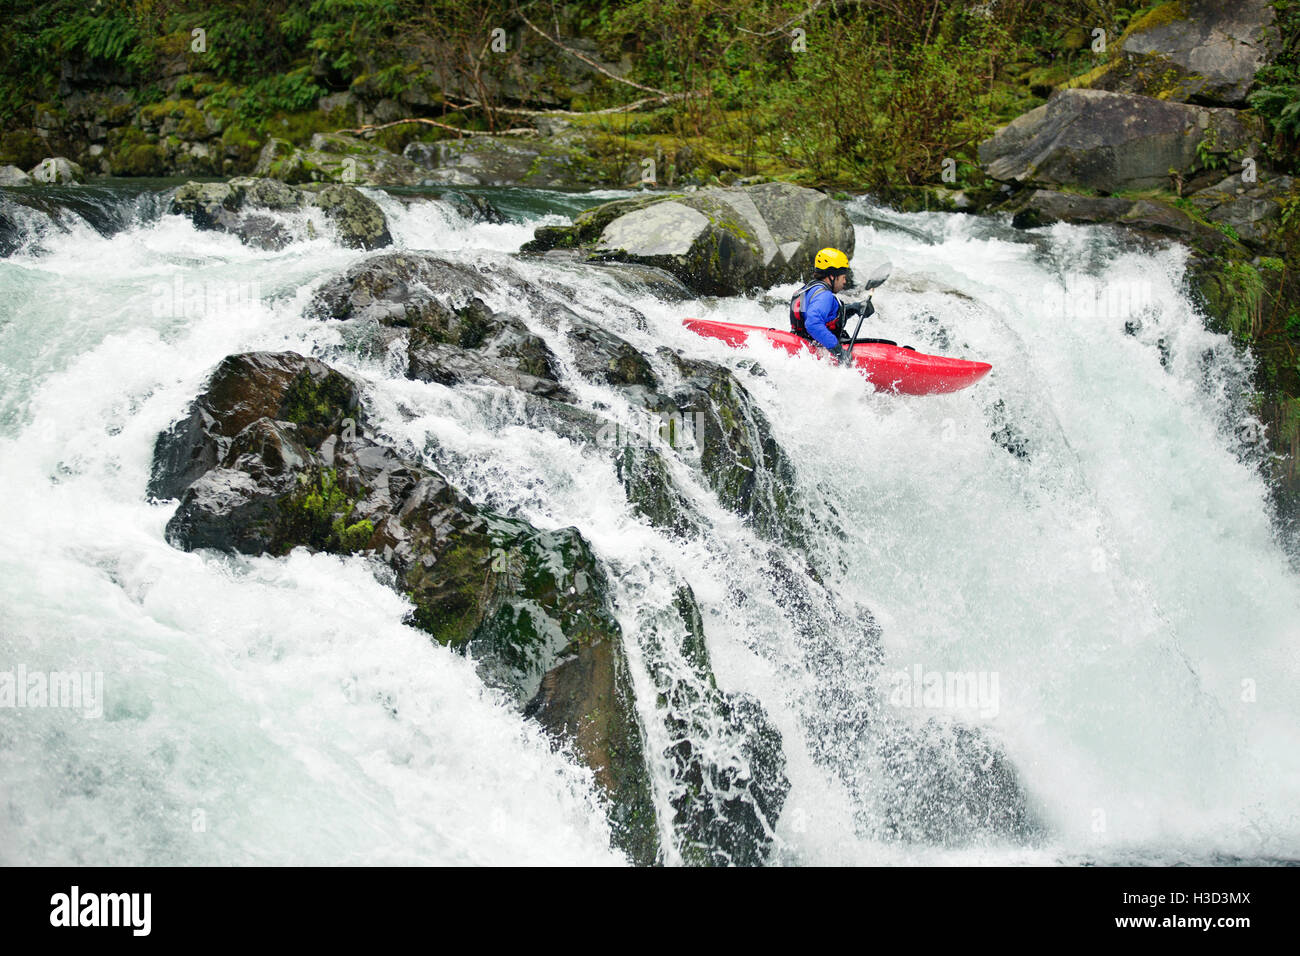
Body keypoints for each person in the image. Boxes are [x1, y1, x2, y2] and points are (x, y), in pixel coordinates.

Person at [789, 247, 874, 365]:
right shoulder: (825, 295)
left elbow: (829, 317)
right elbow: (813, 324)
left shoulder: (809, 290)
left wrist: (855, 307)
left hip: (801, 344)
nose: (845, 282)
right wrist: (839, 352)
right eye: (843, 277)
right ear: (832, 276)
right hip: (815, 351)